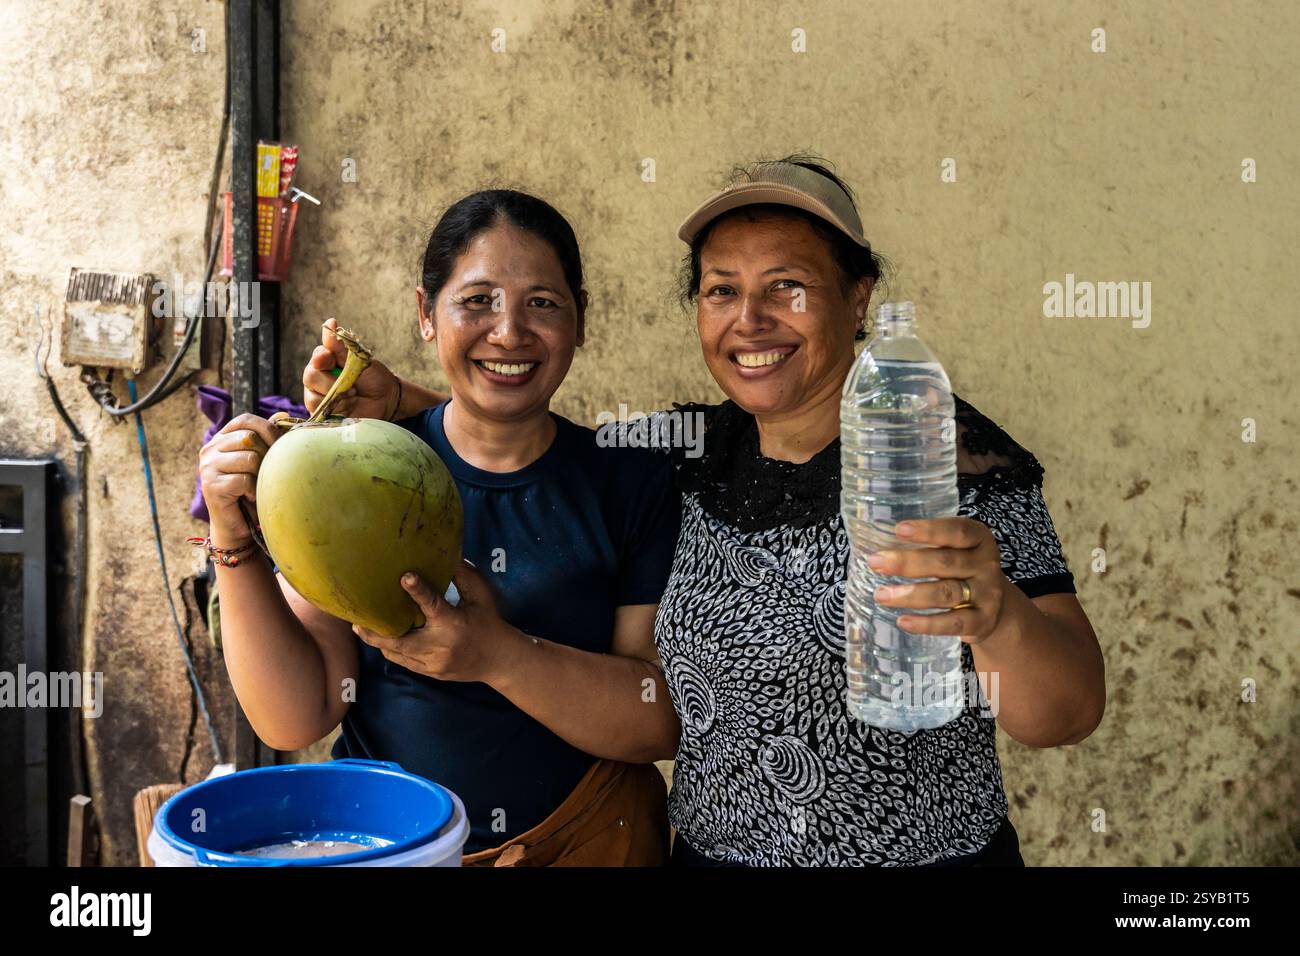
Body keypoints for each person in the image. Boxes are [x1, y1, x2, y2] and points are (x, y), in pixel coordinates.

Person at [307, 156, 1107, 867]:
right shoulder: (681, 452)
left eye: (786, 288)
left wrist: (996, 617)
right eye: (723, 289)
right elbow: (532, 436)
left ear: (858, 297)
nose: (750, 320)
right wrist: (405, 403)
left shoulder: (944, 453)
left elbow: (1067, 712)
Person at [198, 190, 680, 865]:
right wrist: (234, 539)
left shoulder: (631, 483)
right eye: (476, 300)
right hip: (388, 850)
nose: (509, 332)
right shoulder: (359, 469)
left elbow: (659, 719)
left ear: (580, 320)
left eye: (542, 302)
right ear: (426, 315)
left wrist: (498, 655)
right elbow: (294, 715)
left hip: (584, 845)